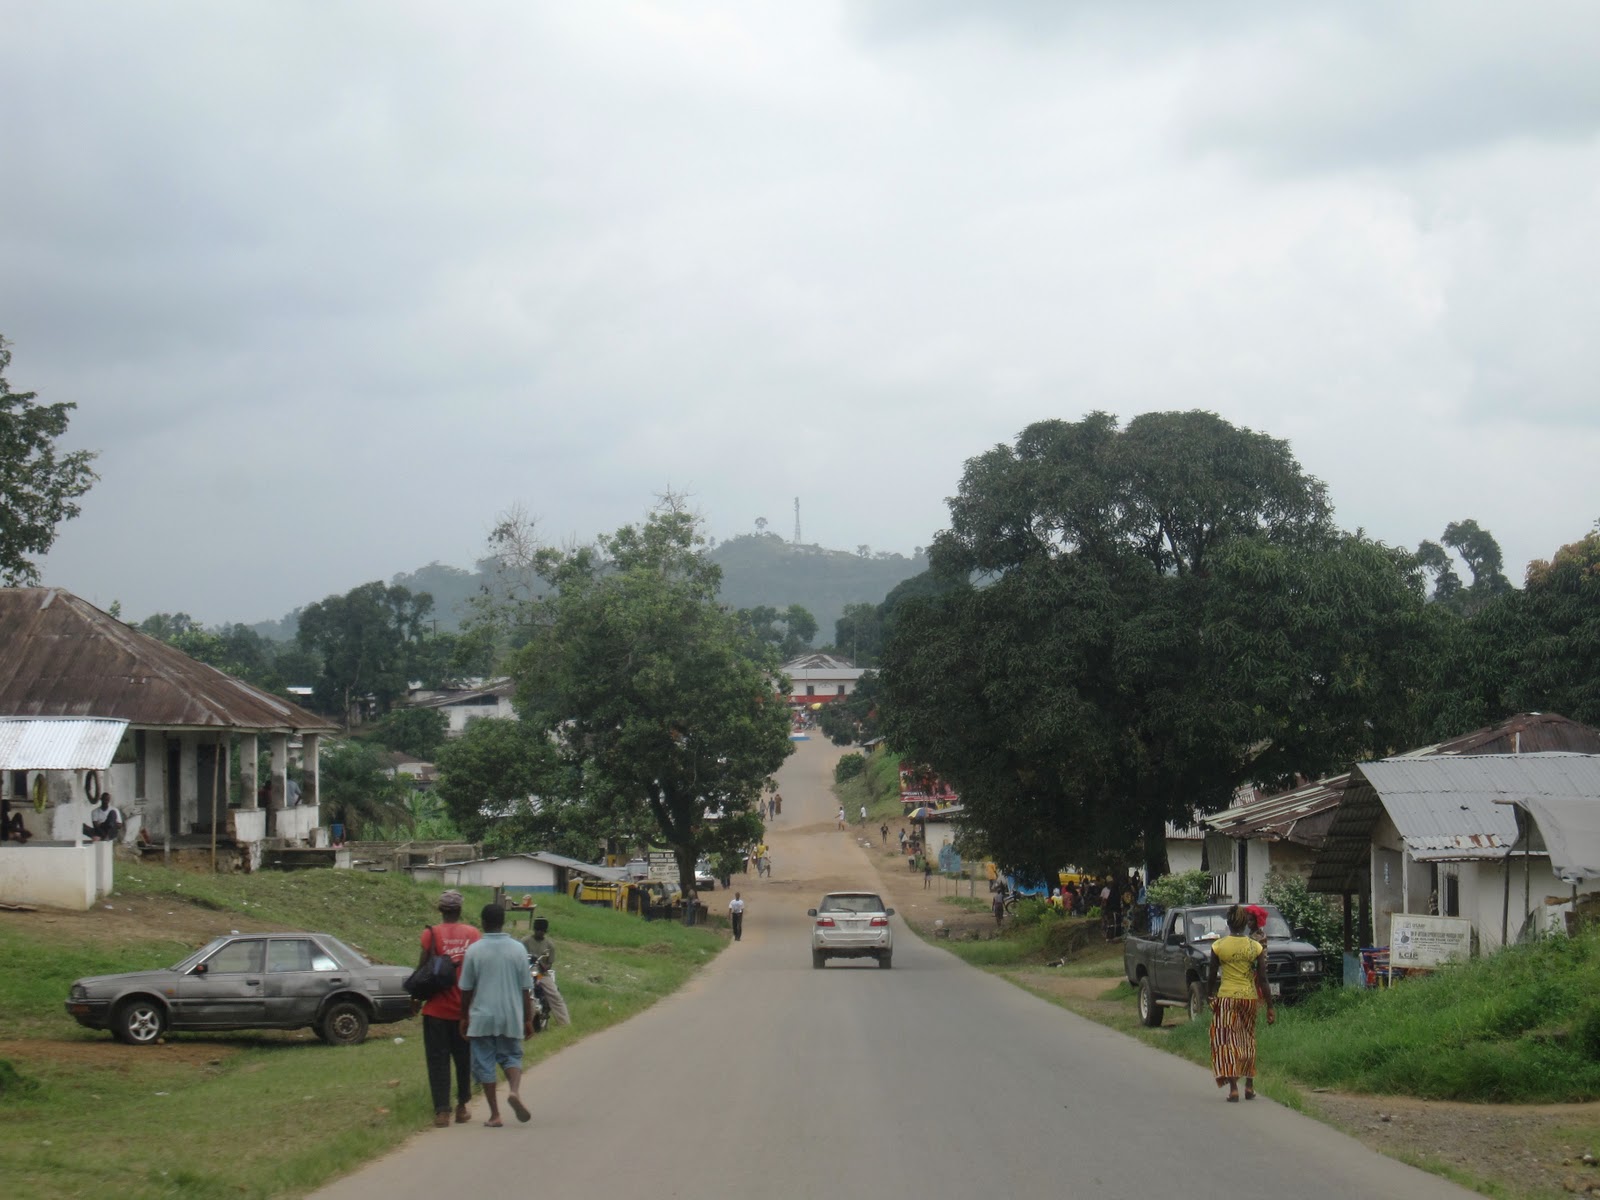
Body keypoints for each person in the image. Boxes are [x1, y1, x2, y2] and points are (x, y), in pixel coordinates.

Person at [458, 903, 535, 1127]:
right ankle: (514, 1091)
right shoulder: (518, 949)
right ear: (503, 922)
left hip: (482, 1016)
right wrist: (527, 1019)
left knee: (485, 1063)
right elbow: (525, 989)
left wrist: (464, 1017)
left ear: (483, 922)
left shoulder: (474, 950)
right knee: (512, 1056)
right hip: (510, 1014)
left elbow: (466, 989)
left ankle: (495, 1115)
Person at [418, 890, 481, 1127]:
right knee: (463, 1059)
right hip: (464, 1010)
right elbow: (477, 970)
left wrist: (415, 998)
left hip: (435, 1010)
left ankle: (442, 1112)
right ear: (460, 910)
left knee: (438, 1060)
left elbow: (422, 969)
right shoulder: (473, 934)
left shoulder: (430, 934)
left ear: (440, 910)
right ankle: (462, 1107)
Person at [1207, 904, 1275, 1102]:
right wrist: (1270, 1006)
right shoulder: (1255, 947)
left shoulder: (1219, 946)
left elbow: (1212, 975)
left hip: (1226, 998)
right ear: (1245, 924)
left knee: (1227, 1042)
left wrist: (1209, 996)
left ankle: (1234, 1089)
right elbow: (1263, 979)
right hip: (1249, 998)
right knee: (1248, 1039)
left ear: (1228, 924)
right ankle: (1250, 1086)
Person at [520, 916, 569, 1026]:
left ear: (545, 931)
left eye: (542, 930)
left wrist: (541, 964)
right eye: (537, 930)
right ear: (534, 929)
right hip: (526, 973)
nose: (540, 932)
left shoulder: (549, 945)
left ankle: (565, 1024)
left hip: (541, 975)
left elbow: (549, 965)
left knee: (555, 996)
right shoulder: (525, 941)